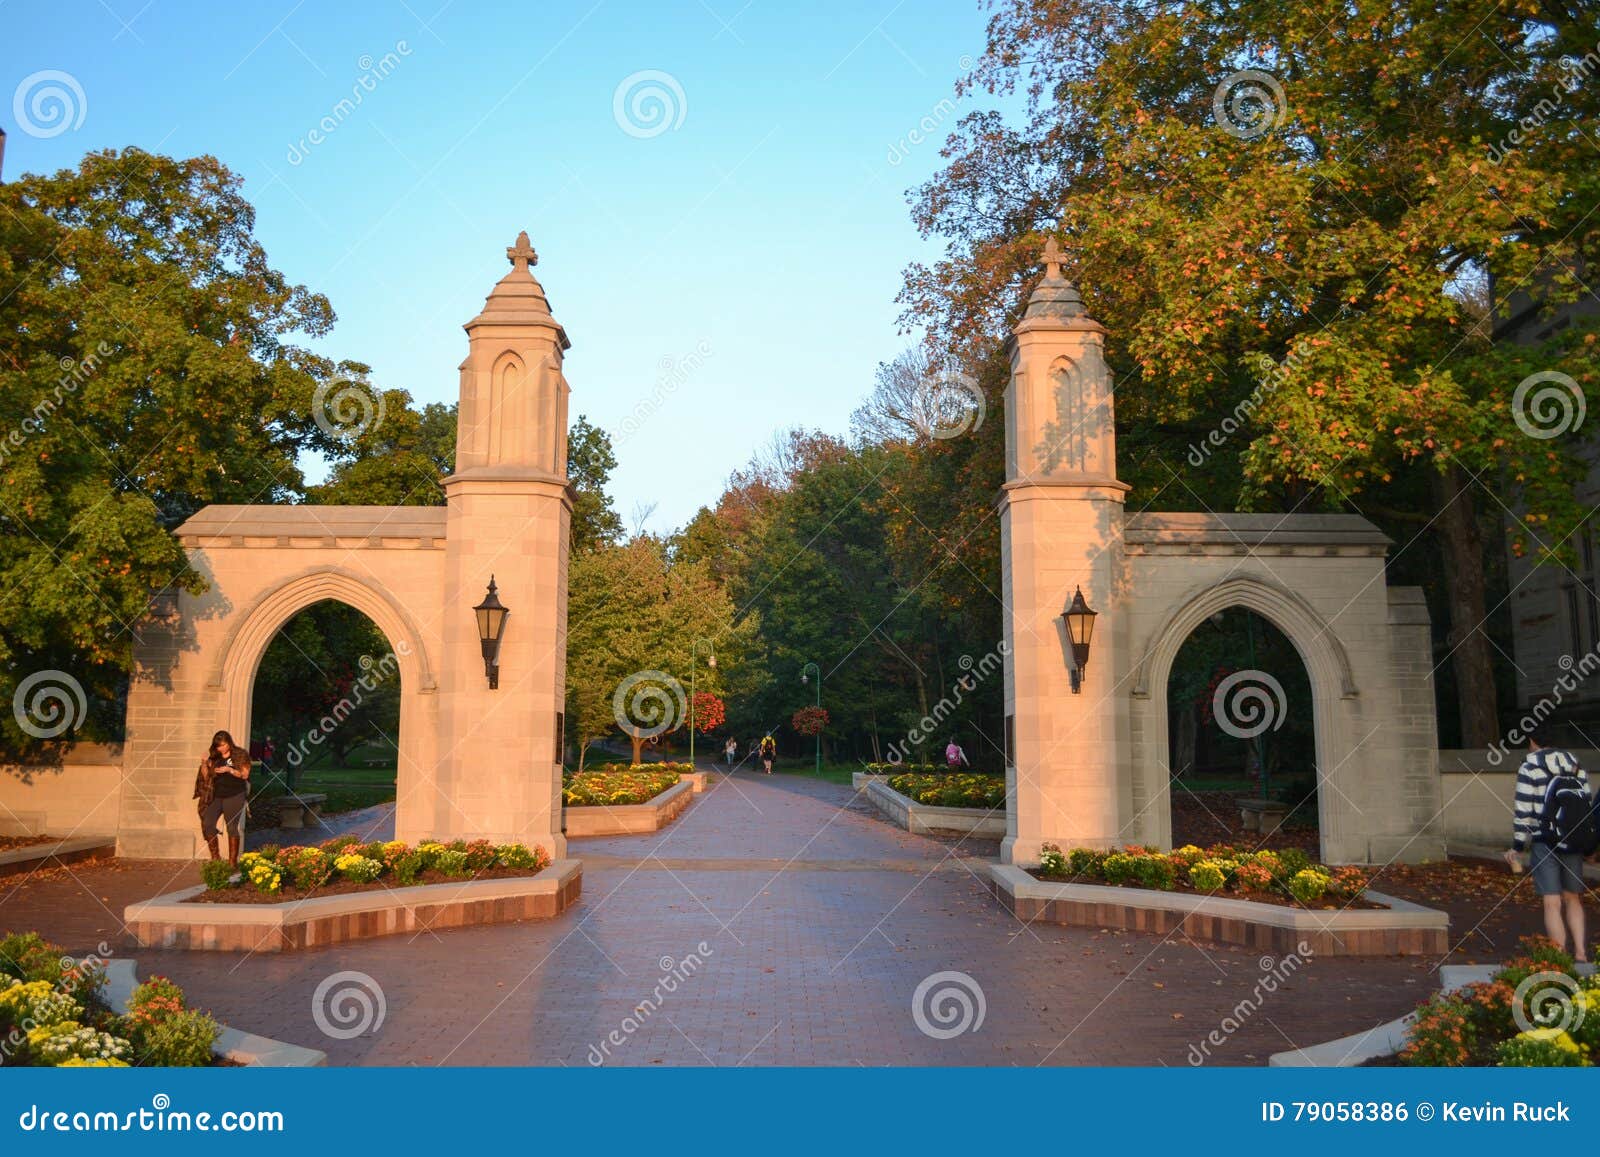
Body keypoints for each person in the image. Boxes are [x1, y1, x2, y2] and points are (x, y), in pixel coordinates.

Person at [1505, 724, 1594, 963]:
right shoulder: (1574, 764)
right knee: (1573, 897)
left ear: (1532, 741)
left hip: (1544, 840)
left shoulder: (1530, 766)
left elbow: (1523, 808)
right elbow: (1586, 801)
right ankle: (1581, 953)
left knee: (1551, 901)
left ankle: (1559, 956)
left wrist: (1517, 845)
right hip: (1572, 838)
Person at [194, 729, 251, 867]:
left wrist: (229, 770)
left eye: (224, 745)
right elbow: (206, 776)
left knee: (231, 826)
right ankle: (216, 858)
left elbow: (245, 775)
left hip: (235, 794)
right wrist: (204, 762)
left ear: (229, 742)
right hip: (217, 795)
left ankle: (232, 863)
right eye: (219, 746)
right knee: (208, 823)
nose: (222, 748)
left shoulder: (240, 754)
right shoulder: (215, 756)